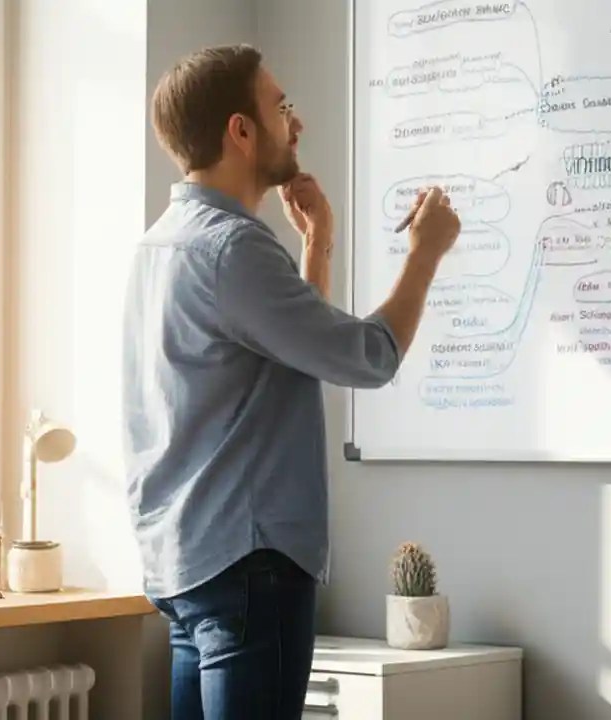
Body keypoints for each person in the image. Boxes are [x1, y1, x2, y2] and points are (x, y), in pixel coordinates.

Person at [121, 44, 459, 719]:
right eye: (282, 107)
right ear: (241, 131)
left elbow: (294, 355)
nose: (295, 124)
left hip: (185, 568)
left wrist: (317, 246)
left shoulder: (160, 244)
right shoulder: (232, 248)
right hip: (250, 570)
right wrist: (425, 254)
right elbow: (368, 355)